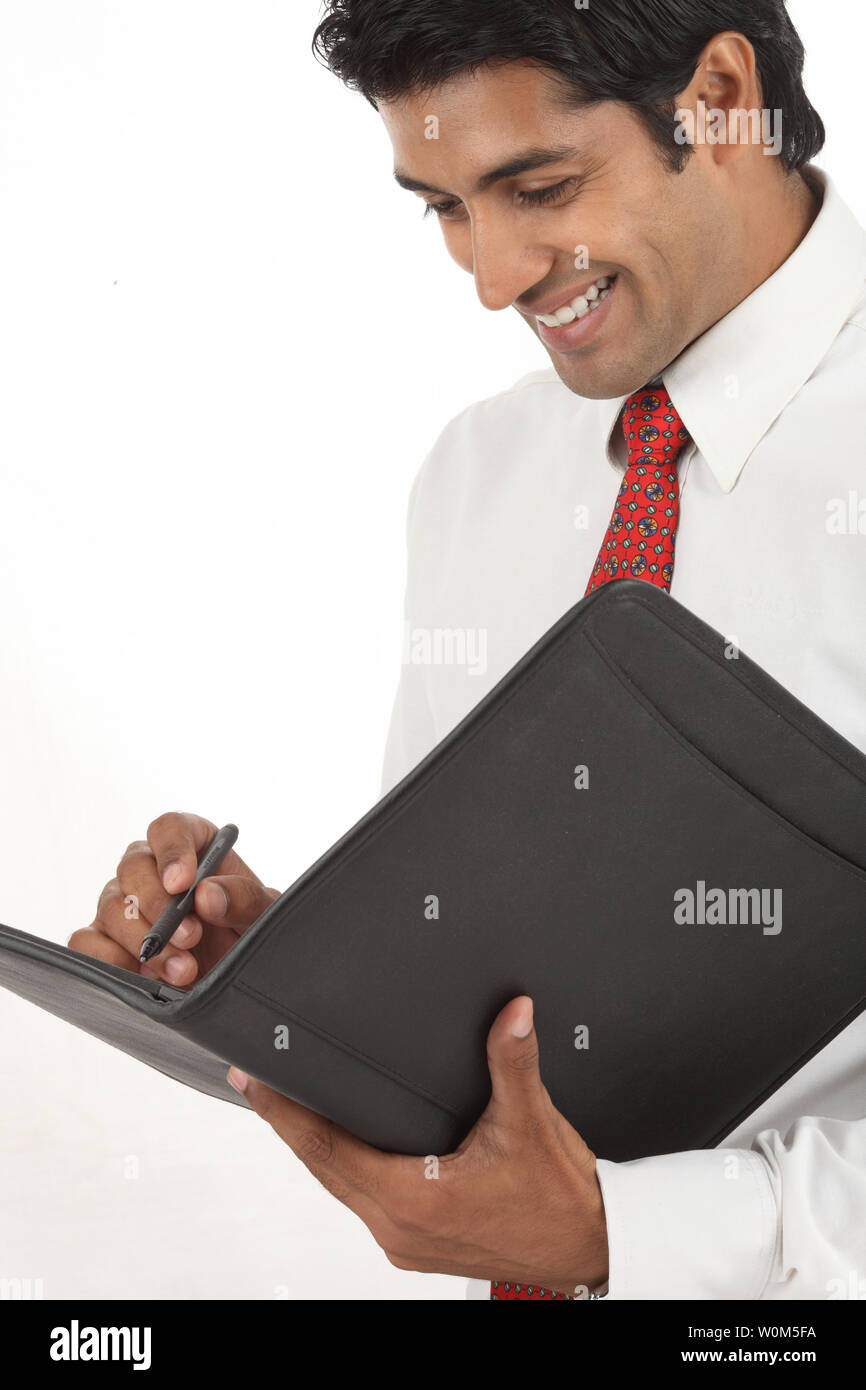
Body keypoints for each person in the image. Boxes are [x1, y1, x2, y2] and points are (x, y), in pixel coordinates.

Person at [70, 0, 866, 1300]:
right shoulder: (479, 470)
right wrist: (300, 984)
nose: (492, 277)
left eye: (536, 186)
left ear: (720, 96)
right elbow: (495, 987)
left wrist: (630, 1236)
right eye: (441, 207)